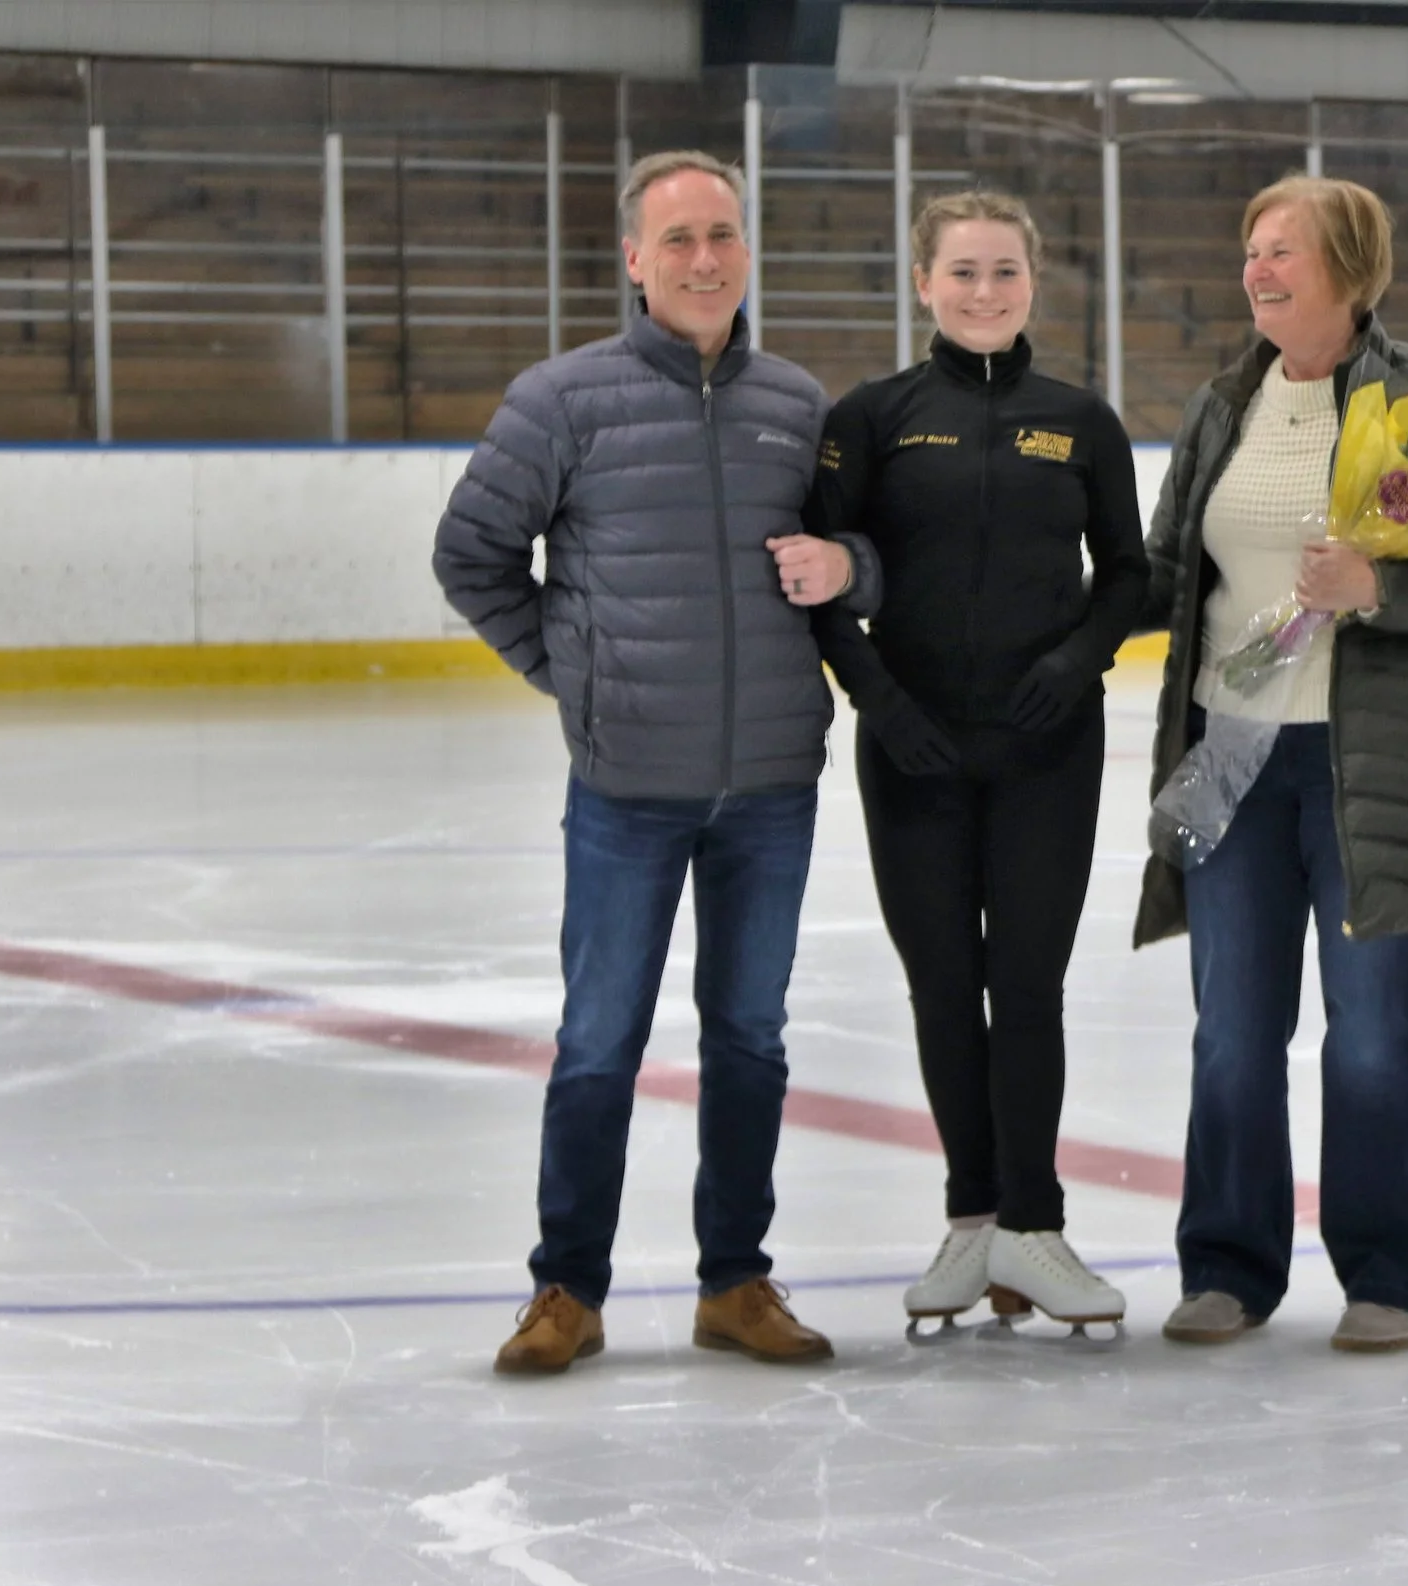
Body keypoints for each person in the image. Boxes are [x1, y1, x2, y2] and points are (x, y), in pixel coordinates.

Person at [434, 150, 881, 1375]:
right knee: (600, 1040)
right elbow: (473, 554)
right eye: (677, 238)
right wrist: (577, 679)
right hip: (627, 788)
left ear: (748, 251)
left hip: (771, 787)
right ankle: (565, 1288)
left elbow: (855, 559)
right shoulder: (561, 399)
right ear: (633, 258)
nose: (702, 259)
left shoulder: (798, 402)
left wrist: (854, 571)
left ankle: (734, 1281)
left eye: (722, 235)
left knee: (749, 1037)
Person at [1134, 175, 1408, 1353]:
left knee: (1369, 1028)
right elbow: (1167, 567)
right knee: (1231, 1029)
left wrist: (1381, 587)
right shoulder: (1224, 406)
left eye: (1282, 254)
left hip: (1370, 763)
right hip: (1233, 754)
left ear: (1352, 270)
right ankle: (1227, 1266)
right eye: (1251, 251)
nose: (1257, 272)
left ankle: (1387, 1275)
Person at [805, 190, 1147, 1337]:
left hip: (1048, 747)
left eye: (1005, 271)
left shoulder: (1081, 420)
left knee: (1030, 984)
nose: (985, 292)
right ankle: (970, 1222)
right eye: (962, 273)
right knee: (945, 983)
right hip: (914, 747)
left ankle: (1035, 1227)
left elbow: (1131, 577)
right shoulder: (871, 418)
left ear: (1033, 281)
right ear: (922, 283)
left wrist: (1076, 664)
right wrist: (877, 700)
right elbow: (821, 578)